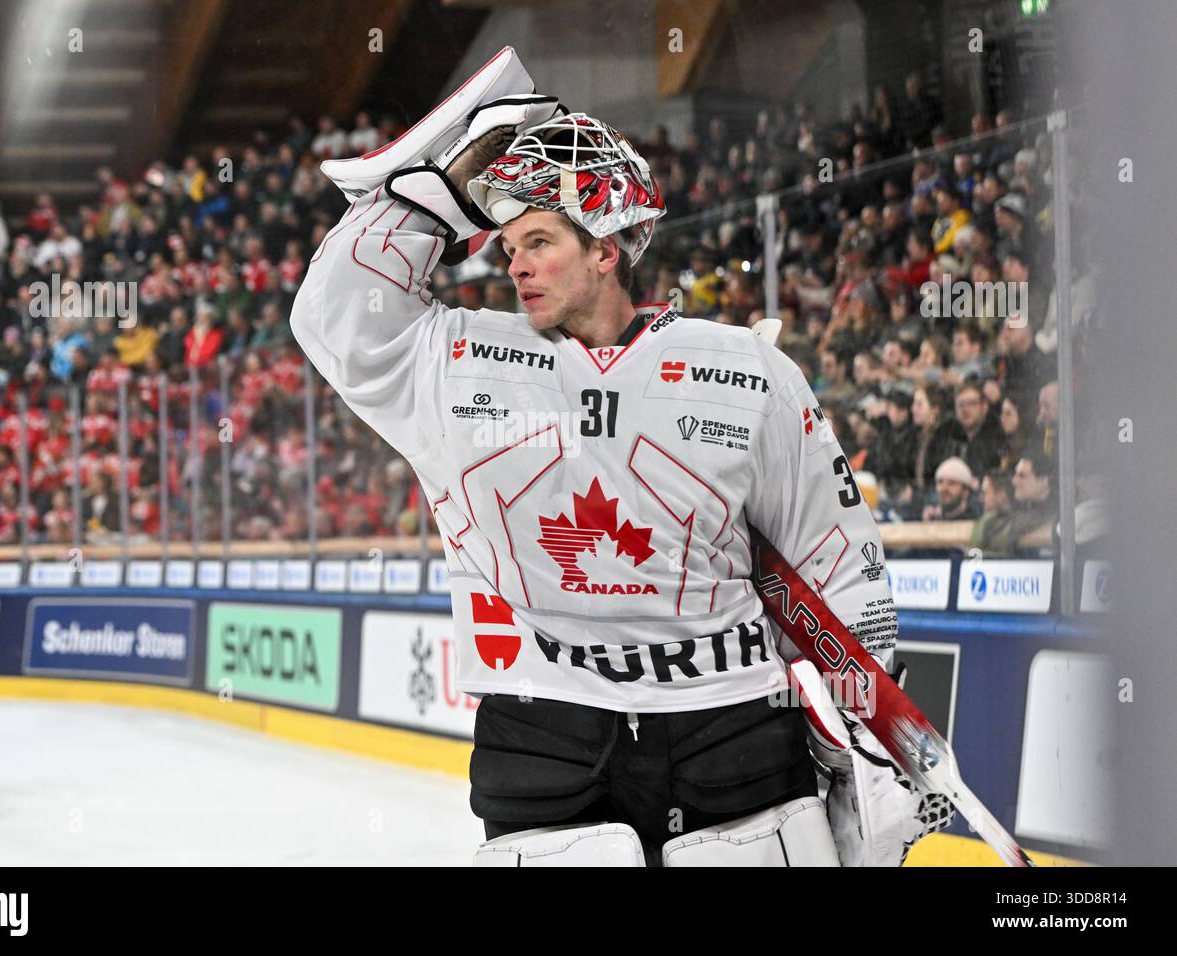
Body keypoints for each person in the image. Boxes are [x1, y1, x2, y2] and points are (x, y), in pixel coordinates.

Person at [291, 50, 942, 867]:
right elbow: (333, 315)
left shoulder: (744, 370)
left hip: (732, 730)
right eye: (506, 243)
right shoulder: (455, 362)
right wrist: (445, 187)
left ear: (607, 250)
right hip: (544, 730)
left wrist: (871, 736)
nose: (514, 262)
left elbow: (834, 556)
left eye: (538, 239)